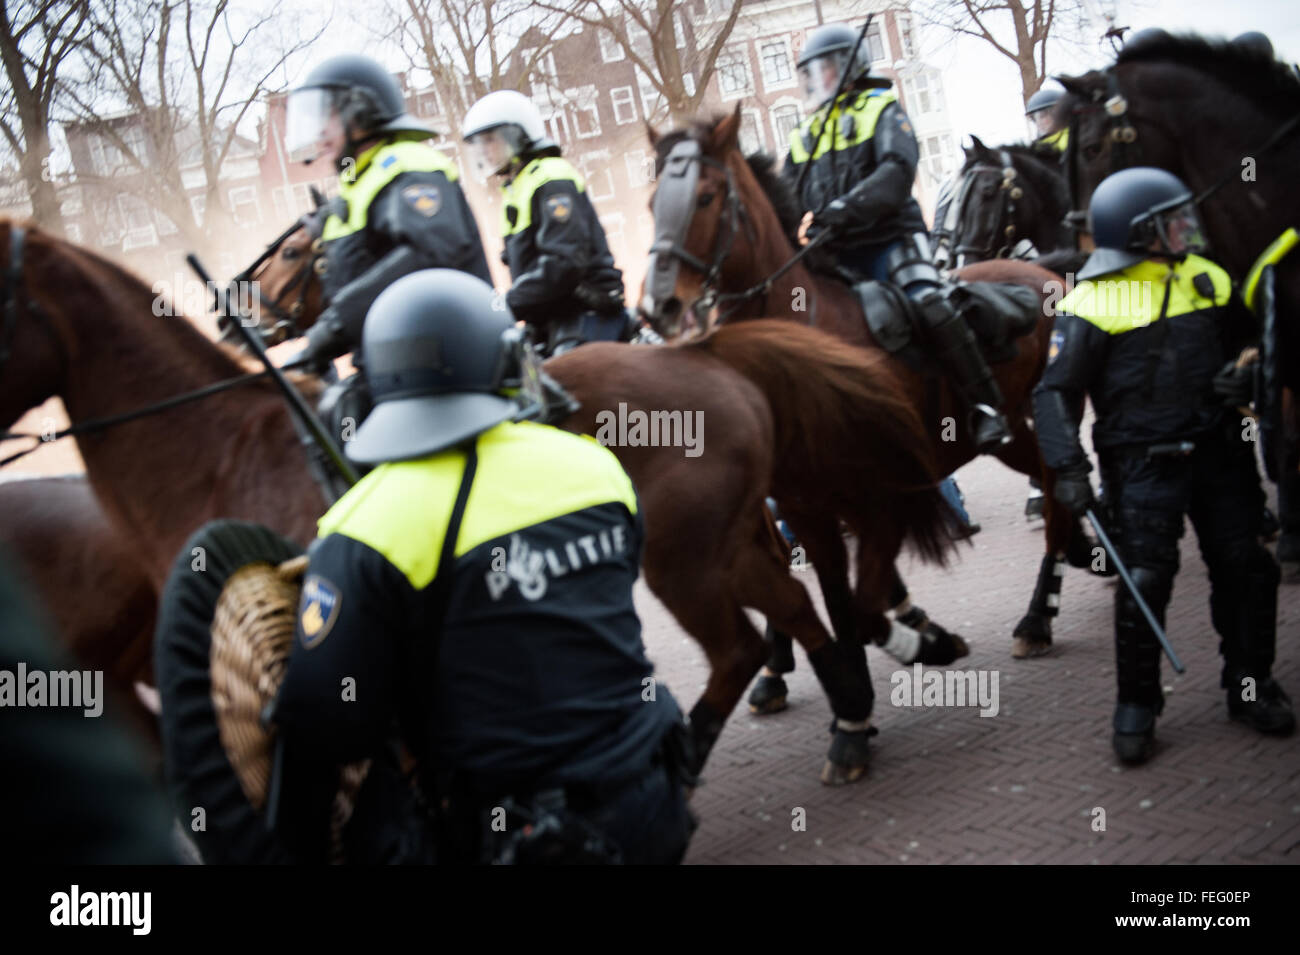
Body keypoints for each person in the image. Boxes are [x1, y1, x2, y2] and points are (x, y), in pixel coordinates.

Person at [270, 269, 694, 864]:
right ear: (503, 363)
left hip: (516, 841)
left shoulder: (364, 527)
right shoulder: (593, 467)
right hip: (655, 803)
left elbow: (330, 730)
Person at [1032, 167, 1295, 765]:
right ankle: (1138, 705)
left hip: (1221, 452)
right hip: (1142, 467)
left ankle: (1250, 685)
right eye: (1172, 222)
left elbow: (1256, 348)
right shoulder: (1093, 299)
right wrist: (1067, 467)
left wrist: (1246, 375)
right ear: (1138, 232)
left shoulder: (1209, 279)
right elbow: (1054, 392)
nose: (1186, 229)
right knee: (1144, 581)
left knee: (1247, 567)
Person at [783, 23, 1012, 452]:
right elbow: (786, 197)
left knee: (930, 302)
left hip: (891, 241)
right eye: (809, 73)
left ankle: (985, 406)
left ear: (851, 68)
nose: (817, 81)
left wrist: (841, 210)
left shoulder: (882, 108)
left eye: (824, 69)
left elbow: (895, 173)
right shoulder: (803, 135)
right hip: (835, 255)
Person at [285, 54, 493, 371]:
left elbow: (431, 253)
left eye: (328, 119)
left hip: (447, 361)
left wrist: (334, 328)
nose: (320, 134)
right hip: (391, 363)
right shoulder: (359, 185)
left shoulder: (408, 166)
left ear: (360, 113)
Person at [461, 90, 629, 356]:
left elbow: (564, 262)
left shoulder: (551, 177)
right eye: (480, 143)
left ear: (517, 134)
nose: (485, 150)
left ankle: (623, 402)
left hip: (587, 312)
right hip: (550, 317)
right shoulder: (517, 188)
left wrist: (506, 304)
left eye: (490, 140)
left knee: (569, 392)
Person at [1024, 85, 1067, 153]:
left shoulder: (1072, 140)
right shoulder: (1036, 147)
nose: (1038, 123)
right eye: (1034, 119)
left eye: (1042, 116)